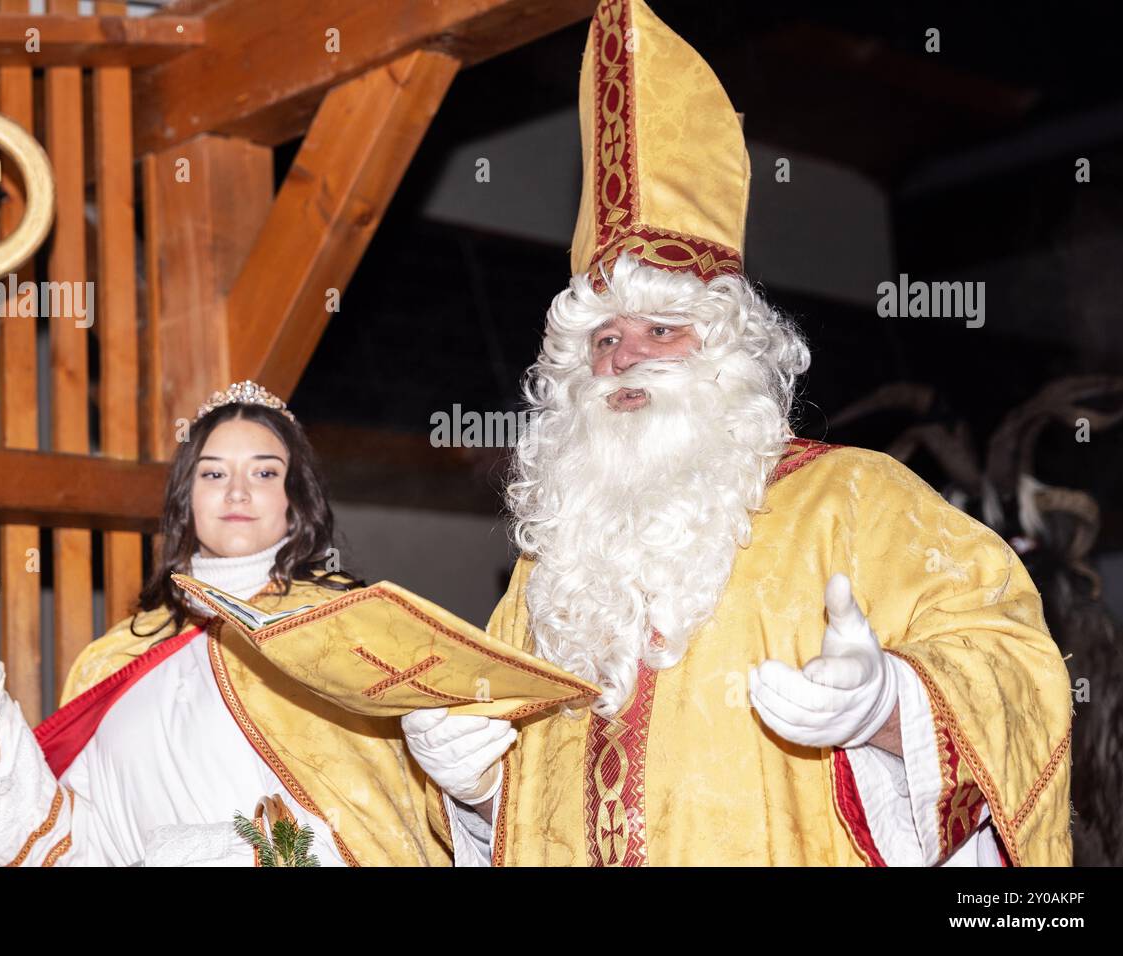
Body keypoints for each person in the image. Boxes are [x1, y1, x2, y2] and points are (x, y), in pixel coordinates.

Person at [403, 0, 1072, 867]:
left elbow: (1017, 671)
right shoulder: (551, 570)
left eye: (662, 330)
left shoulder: (858, 499)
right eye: (604, 340)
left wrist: (890, 707)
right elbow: (531, 815)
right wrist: (473, 790)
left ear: (731, 354)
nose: (626, 360)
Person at [0, 381, 450, 866]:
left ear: (295, 503)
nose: (237, 492)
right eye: (214, 473)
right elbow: (77, 845)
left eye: (264, 472)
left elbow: (396, 826)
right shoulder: (119, 658)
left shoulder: (351, 634)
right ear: (187, 500)